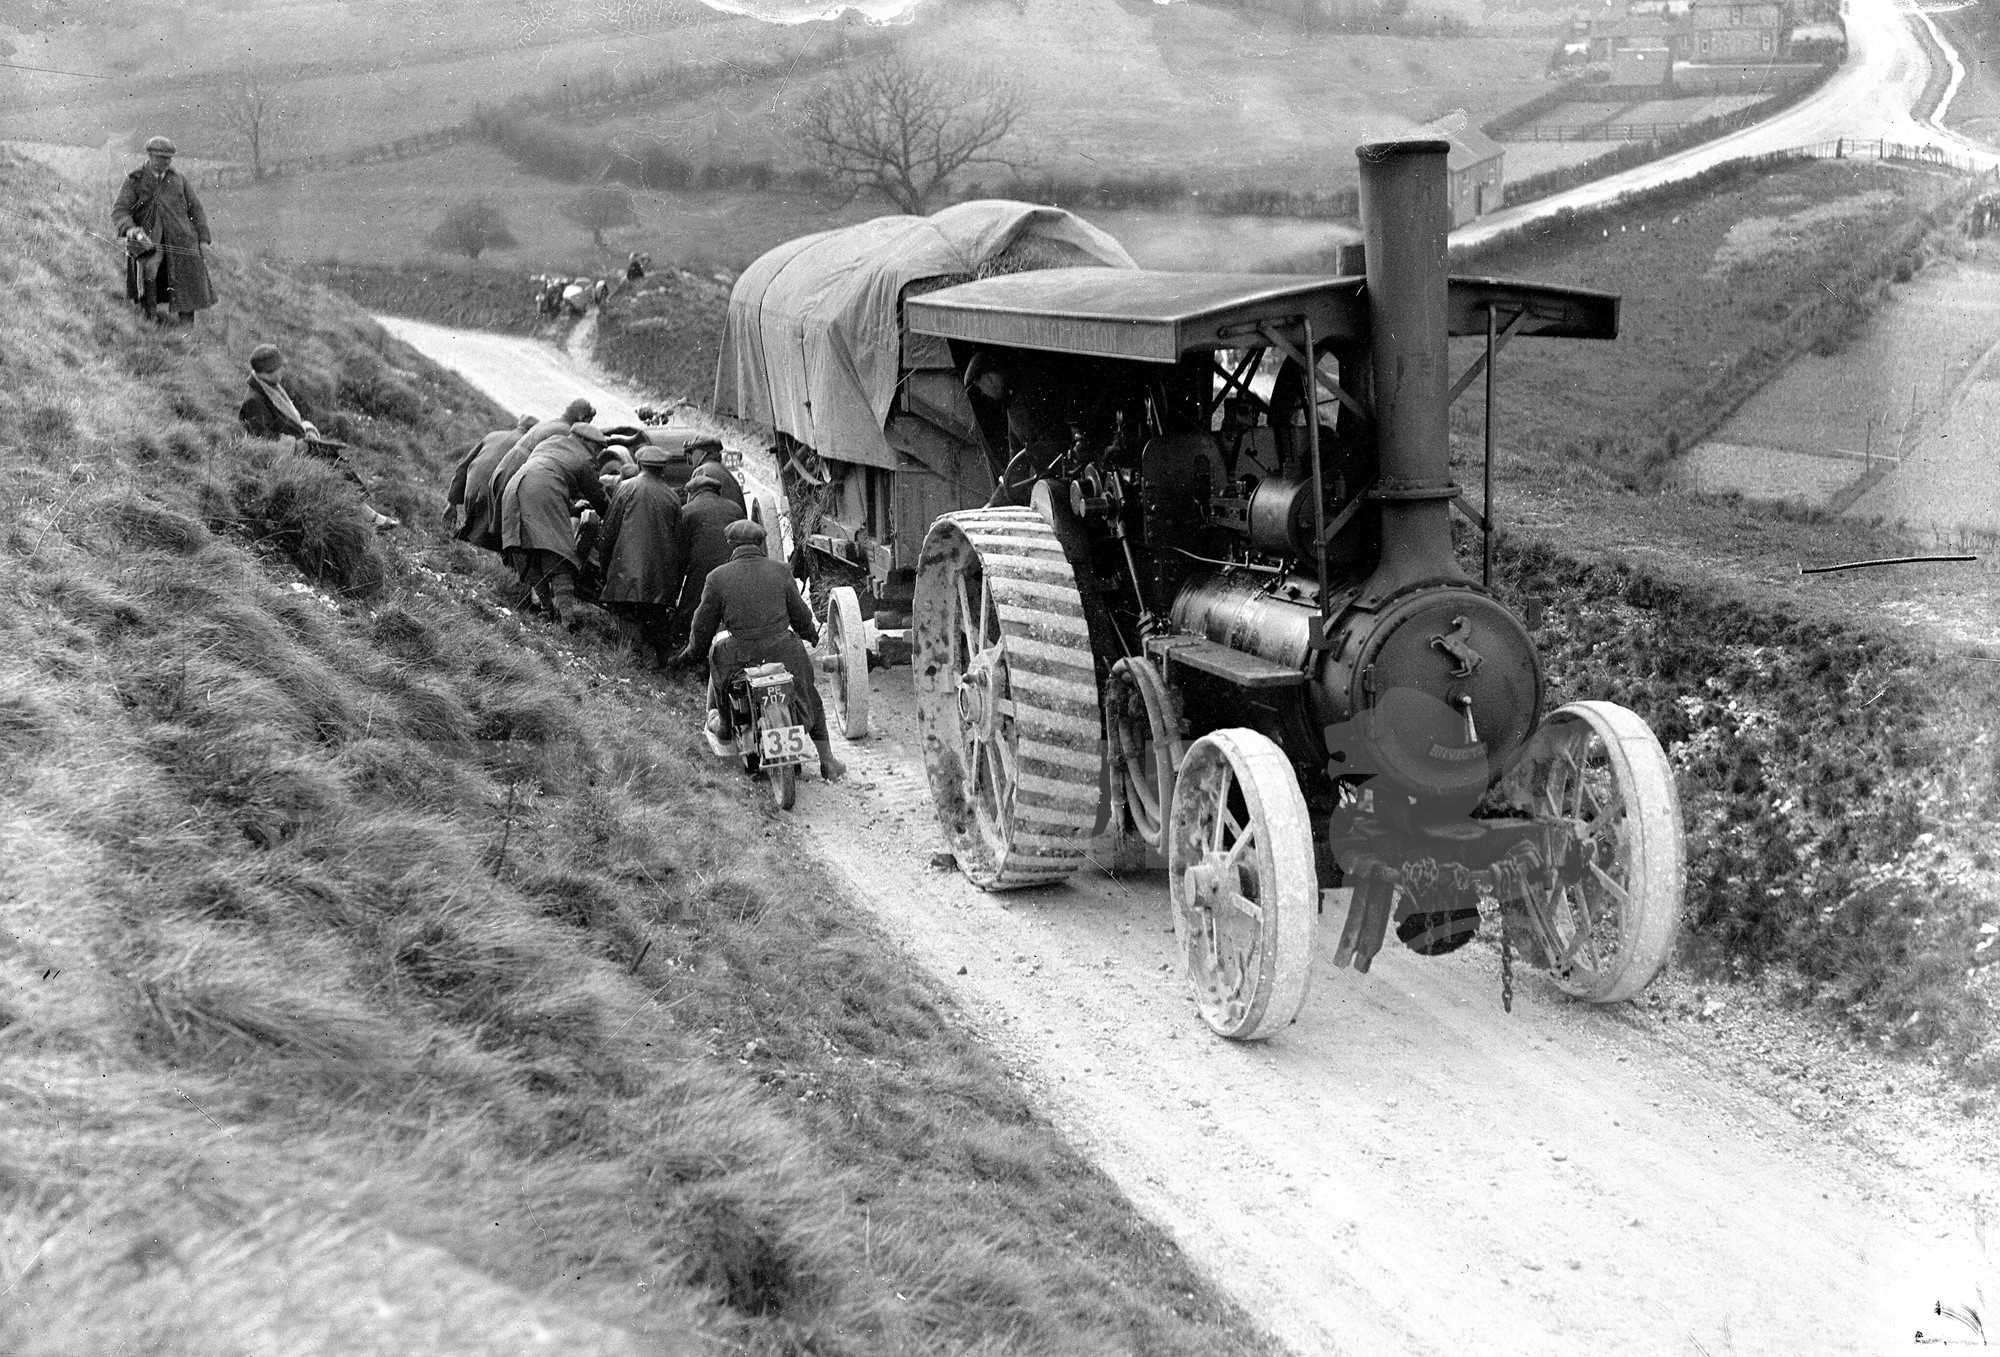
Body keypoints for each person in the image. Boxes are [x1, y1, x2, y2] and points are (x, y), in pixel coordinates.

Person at [673, 518, 843, 781]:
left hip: (739, 653)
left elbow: (702, 624)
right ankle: (827, 761)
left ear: (730, 544)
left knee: (719, 668)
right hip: (783, 649)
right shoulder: (781, 570)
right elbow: (799, 613)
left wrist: (691, 653)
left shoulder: (717, 578)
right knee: (808, 693)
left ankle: (727, 726)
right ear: (761, 542)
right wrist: (809, 634)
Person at [238, 343, 398, 531]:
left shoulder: (270, 388)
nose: (283, 369)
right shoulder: (254, 401)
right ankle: (366, 518)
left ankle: (365, 515)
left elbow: (291, 422)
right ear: (268, 369)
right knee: (332, 467)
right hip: (282, 461)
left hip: (297, 449)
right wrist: (298, 445)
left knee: (335, 462)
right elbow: (263, 443)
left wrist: (307, 430)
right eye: (280, 366)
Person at [500, 421, 611, 625]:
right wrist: (612, 517)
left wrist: (570, 507)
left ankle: (546, 609)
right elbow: (598, 497)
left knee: (527, 552)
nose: (597, 454)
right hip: (543, 490)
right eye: (596, 448)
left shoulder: (550, 442)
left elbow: (545, 477)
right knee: (560, 555)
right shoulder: (582, 458)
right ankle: (568, 619)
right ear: (584, 441)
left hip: (515, 487)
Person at [596, 443, 686, 668]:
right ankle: (655, 660)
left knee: (626, 615)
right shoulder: (673, 498)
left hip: (625, 570)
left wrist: (604, 564)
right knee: (652, 617)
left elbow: (610, 529)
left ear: (639, 464)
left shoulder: (626, 488)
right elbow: (677, 542)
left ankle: (636, 657)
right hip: (659, 576)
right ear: (662, 469)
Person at [112, 135, 214, 326]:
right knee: (148, 274)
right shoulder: (135, 180)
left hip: (182, 240)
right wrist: (131, 229)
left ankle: (186, 330)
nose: (166, 162)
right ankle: (149, 321)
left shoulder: (179, 180)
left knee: (187, 280)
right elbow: (120, 211)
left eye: (168, 158)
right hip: (148, 240)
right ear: (150, 156)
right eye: (161, 158)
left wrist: (203, 238)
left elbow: (196, 209)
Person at [471, 397, 593, 552]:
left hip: (505, 468)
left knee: (503, 529)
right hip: (517, 473)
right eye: (588, 421)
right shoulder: (565, 432)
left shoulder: (551, 423)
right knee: (518, 532)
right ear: (582, 418)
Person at [673, 468, 745, 637]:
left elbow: (680, 557)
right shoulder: (734, 508)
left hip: (703, 574)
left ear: (693, 493)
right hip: (735, 569)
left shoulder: (687, 511)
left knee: (687, 617)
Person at [448, 413, 535, 538]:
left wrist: (451, 503)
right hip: (489, 503)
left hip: (470, 495)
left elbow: (463, 467)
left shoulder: (493, 435)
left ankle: (470, 532)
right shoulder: (525, 449)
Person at [687, 440, 747, 513]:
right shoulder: (725, 471)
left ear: (703, 453)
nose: (690, 458)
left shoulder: (702, 470)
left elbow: (692, 507)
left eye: (692, 452)